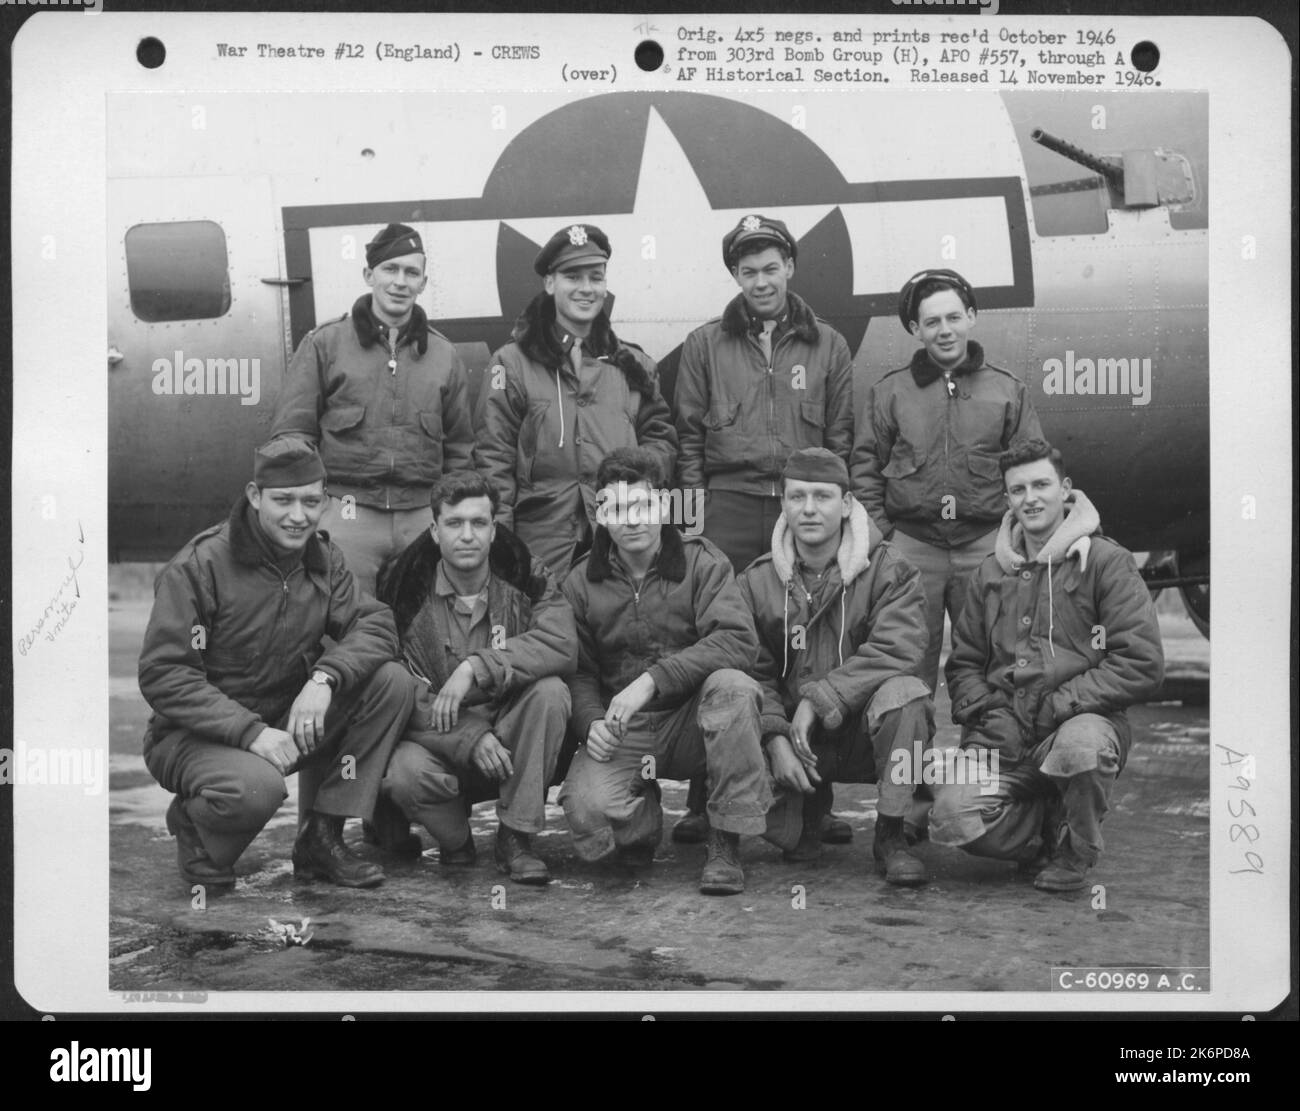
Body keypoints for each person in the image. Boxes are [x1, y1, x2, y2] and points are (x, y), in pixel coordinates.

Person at [139, 438, 414, 890]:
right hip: (196, 735)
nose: (297, 516)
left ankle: (321, 838)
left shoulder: (324, 559)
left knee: (391, 682)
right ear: (254, 496)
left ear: (324, 502)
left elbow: (377, 625)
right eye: (283, 500)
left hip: (280, 723)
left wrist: (325, 677)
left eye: (310, 502)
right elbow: (164, 674)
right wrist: (249, 732)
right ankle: (195, 822)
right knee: (254, 794)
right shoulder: (199, 565)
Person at [672, 214, 855, 844]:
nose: (760, 281)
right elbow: (688, 430)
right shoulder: (705, 344)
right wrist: (693, 499)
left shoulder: (828, 345)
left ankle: (815, 796)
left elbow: (839, 438)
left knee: (811, 638)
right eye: (747, 271)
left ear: (790, 268)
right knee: (721, 636)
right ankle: (706, 795)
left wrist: (837, 507)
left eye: (770, 267)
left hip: (800, 504)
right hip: (729, 502)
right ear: (734, 275)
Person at [929, 440, 1164, 891]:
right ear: (1007, 500)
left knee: (1081, 750)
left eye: (1041, 485)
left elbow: (1141, 661)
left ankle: (1075, 851)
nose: (1030, 498)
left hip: (1074, 723)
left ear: (1065, 490)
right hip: (1006, 734)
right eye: (1018, 490)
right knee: (952, 815)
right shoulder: (989, 573)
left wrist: (1061, 702)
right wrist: (987, 713)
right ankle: (1043, 831)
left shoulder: (1106, 563)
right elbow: (963, 664)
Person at [557, 448, 770, 895]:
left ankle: (725, 841)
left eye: (642, 506)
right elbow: (577, 669)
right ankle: (642, 824)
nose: (631, 520)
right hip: (625, 726)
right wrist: (589, 720)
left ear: (664, 507)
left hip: (694, 720)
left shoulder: (703, 563)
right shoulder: (580, 581)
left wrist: (653, 679)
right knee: (588, 813)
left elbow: (738, 641)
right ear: (600, 515)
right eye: (616, 508)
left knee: (734, 688)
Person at [737, 449, 935, 884]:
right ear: (783, 504)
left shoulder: (889, 570)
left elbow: (898, 649)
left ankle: (892, 832)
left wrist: (822, 697)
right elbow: (753, 668)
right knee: (792, 845)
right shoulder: (756, 580)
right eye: (797, 497)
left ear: (846, 504)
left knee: (907, 697)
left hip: (861, 732)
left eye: (823, 497)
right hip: (795, 740)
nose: (809, 509)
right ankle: (807, 808)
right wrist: (774, 737)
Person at [374, 472, 576, 885]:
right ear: (434, 531)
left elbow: (562, 644)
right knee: (402, 771)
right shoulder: (404, 592)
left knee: (551, 693)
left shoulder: (527, 576)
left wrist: (476, 667)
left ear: (494, 529)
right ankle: (455, 841)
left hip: (512, 744)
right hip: (442, 743)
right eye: (454, 523)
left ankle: (516, 838)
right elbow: (396, 688)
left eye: (479, 523)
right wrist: (470, 737)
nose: (467, 535)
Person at [850, 268, 1044, 700]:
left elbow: (1034, 472)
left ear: (971, 317)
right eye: (932, 322)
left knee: (995, 659)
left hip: (986, 545)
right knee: (905, 664)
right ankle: (908, 762)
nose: (945, 330)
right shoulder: (890, 394)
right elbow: (864, 469)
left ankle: (991, 757)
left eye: (954, 318)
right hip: (913, 547)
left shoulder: (1008, 392)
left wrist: (1011, 538)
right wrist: (887, 538)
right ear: (916, 329)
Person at [271, 223, 475, 593]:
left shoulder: (444, 355)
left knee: (424, 633)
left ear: (423, 283)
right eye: (390, 269)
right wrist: (316, 508)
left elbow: (460, 448)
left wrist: (449, 515)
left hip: (421, 516)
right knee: (345, 632)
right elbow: (293, 436)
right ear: (369, 275)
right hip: (347, 511)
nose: (400, 282)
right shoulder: (326, 344)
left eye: (411, 273)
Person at [478, 223, 677, 577]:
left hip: (619, 535)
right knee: (546, 628)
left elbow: (660, 438)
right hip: (542, 537)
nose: (586, 288)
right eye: (573, 276)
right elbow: (494, 458)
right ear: (550, 283)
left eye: (596, 277)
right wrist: (502, 542)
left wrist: (634, 491)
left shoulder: (635, 366)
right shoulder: (511, 364)